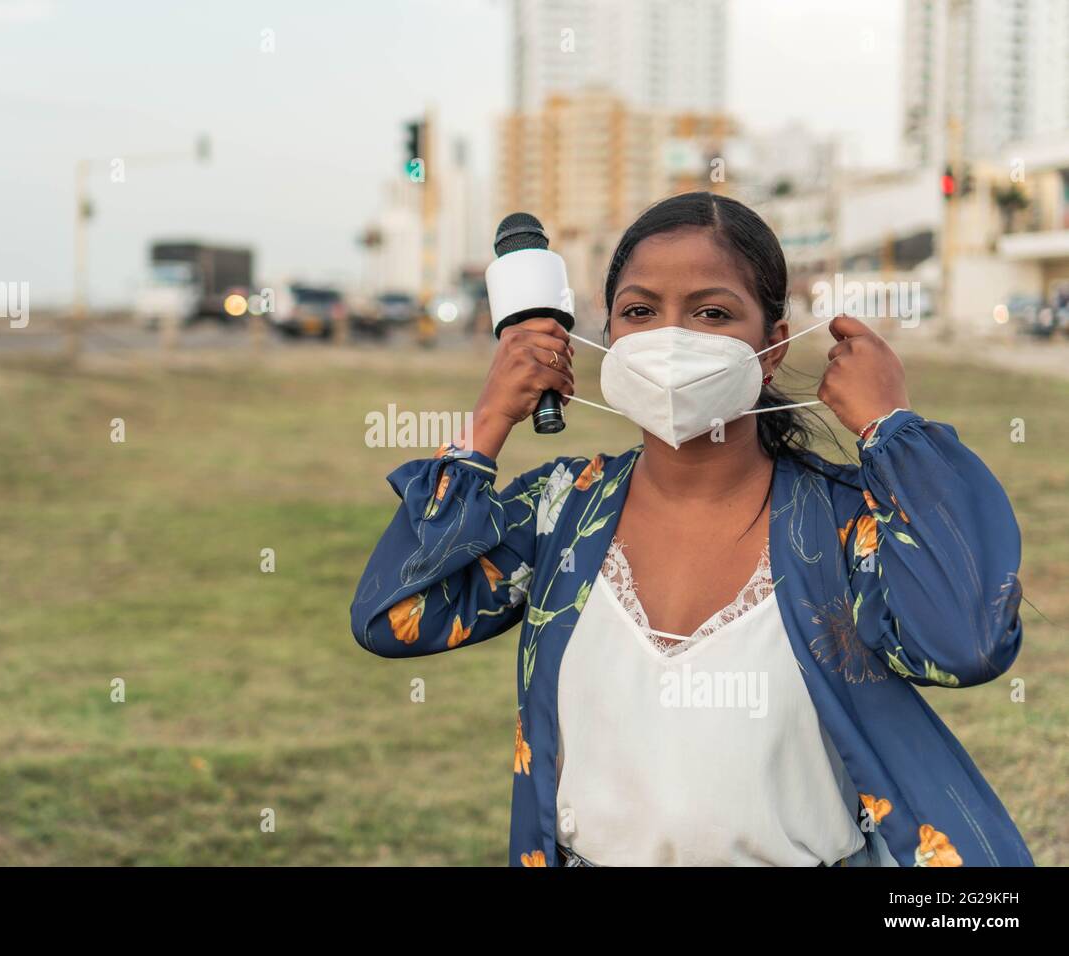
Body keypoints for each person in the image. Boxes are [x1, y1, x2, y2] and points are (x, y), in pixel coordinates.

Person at [349, 191, 1031, 868]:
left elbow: (964, 642)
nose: (670, 339)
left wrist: (891, 432)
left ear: (770, 349)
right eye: (640, 311)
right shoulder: (561, 511)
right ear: (607, 340)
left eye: (712, 312)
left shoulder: (841, 525)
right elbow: (398, 615)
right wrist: (487, 425)